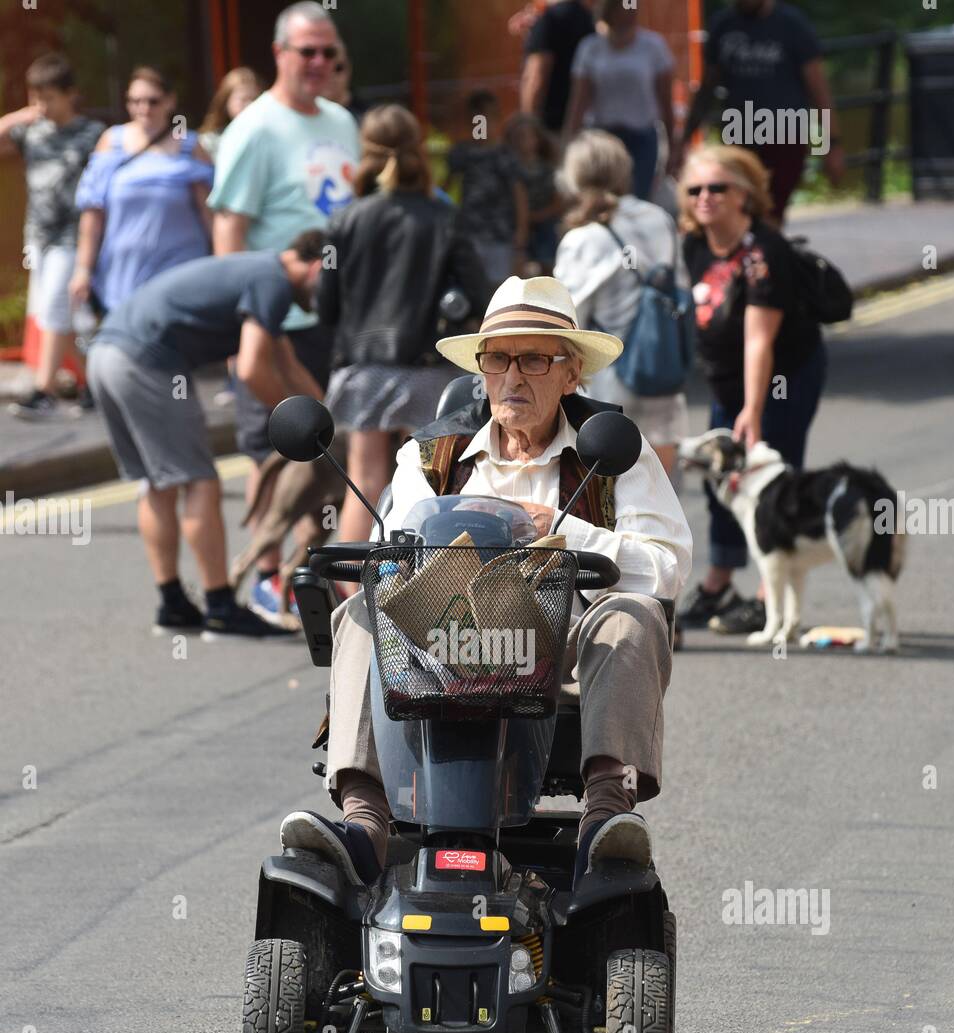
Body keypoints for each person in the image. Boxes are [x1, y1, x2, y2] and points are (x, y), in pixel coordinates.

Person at [279, 275, 693, 892]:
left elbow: (669, 566)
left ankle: (606, 817)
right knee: (364, 610)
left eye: (534, 359)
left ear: (572, 372)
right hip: (442, 640)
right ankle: (364, 821)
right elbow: (397, 557)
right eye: (497, 359)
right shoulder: (430, 455)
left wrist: (564, 531)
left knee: (632, 614)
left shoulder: (616, 452)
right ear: (480, 370)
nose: (513, 377)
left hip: (565, 644)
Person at [85, 231, 328, 639]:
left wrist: (327, 420)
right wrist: (297, 423)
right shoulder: (273, 281)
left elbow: (287, 367)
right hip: (147, 361)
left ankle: (173, 603)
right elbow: (251, 369)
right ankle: (219, 606)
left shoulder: (256, 272)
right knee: (200, 482)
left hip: (106, 354)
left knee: (158, 484)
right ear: (318, 266)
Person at [208, 0, 360, 620]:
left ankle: (305, 577)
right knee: (274, 454)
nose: (320, 63)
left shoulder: (342, 121)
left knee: (326, 456)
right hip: (272, 320)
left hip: (330, 320)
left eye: (330, 53)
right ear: (280, 54)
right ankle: (267, 576)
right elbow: (229, 231)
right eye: (308, 52)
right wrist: (239, 326)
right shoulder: (254, 126)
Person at [318, 105, 490, 551]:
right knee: (435, 478)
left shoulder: (343, 220)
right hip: (429, 370)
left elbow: (326, 305)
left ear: (365, 154)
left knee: (365, 475)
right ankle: (429, 587)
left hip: (363, 369)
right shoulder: (444, 218)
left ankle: (352, 593)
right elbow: (479, 292)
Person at [677, 146, 826, 636]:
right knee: (721, 478)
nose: (705, 198)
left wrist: (754, 409)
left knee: (768, 480)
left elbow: (759, 340)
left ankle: (769, 597)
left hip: (781, 380)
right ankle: (720, 583)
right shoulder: (696, 244)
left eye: (718, 188)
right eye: (695, 189)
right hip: (730, 382)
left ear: (745, 194)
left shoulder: (763, 253)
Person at [554, 130, 688, 481]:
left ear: (574, 177)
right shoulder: (659, 218)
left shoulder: (582, 239)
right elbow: (682, 287)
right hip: (662, 364)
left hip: (608, 378)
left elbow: (567, 321)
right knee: (661, 489)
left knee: (614, 496)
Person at [0, 53, 103, 419]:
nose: (42, 105)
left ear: (70, 94)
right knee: (71, 319)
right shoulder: (32, 130)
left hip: (74, 237)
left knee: (56, 308)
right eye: (36, 96)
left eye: (49, 97)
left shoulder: (92, 134)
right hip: (38, 237)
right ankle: (96, 384)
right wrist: (21, 115)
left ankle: (44, 390)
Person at [679, 0, 844, 224]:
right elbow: (707, 88)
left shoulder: (791, 24)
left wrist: (831, 144)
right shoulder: (724, 25)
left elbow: (819, 90)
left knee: (770, 214)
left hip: (785, 134)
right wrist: (686, 137)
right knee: (739, 211)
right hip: (739, 134)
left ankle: (766, 255)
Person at [71, 67, 212, 317]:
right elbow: (93, 213)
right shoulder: (111, 139)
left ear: (170, 101)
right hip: (123, 277)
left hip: (180, 273)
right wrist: (83, 269)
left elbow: (209, 212)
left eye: (152, 101)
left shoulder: (186, 142)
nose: (143, 108)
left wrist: (224, 264)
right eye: (134, 101)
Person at [563, 0, 677, 202]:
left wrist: (673, 146)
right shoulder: (590, 48)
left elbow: (666, 101)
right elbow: (578, 102)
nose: (631, 9)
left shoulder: (653, 46)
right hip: (603, 139)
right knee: (601, 198)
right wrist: (569, 143)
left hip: (642, 138)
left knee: (637, 199)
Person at [446, 90, 529, 289]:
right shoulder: (461, 153)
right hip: (469, 232)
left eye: (487, 117)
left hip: (500, 234)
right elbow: (447, 187)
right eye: (477, 117)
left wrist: (521, 230)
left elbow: (519, 194)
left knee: (500, 288)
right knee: (473, 285)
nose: (482, 123)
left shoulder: (505, 154)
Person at [520, 0, 596, 135]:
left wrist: (528, 125)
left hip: (551, 127)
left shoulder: (548, 19)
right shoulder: (588, 19)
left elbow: (536, 77)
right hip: (583, 124)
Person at [503, 113, 564, 273]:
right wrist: (522, 223)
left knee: (547, 263)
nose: (522, 142)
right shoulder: (509, 169)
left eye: (526, 136)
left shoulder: (547, 169)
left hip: (544, 225)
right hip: (516, 226)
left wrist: (536, 216)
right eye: (517, 137)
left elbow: (558, 202)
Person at [198, 67, 264, 160]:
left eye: (255, 99)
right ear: (226, 102)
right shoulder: (208, 143)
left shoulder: (267, 137)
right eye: (244, 99)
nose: (250, 105)